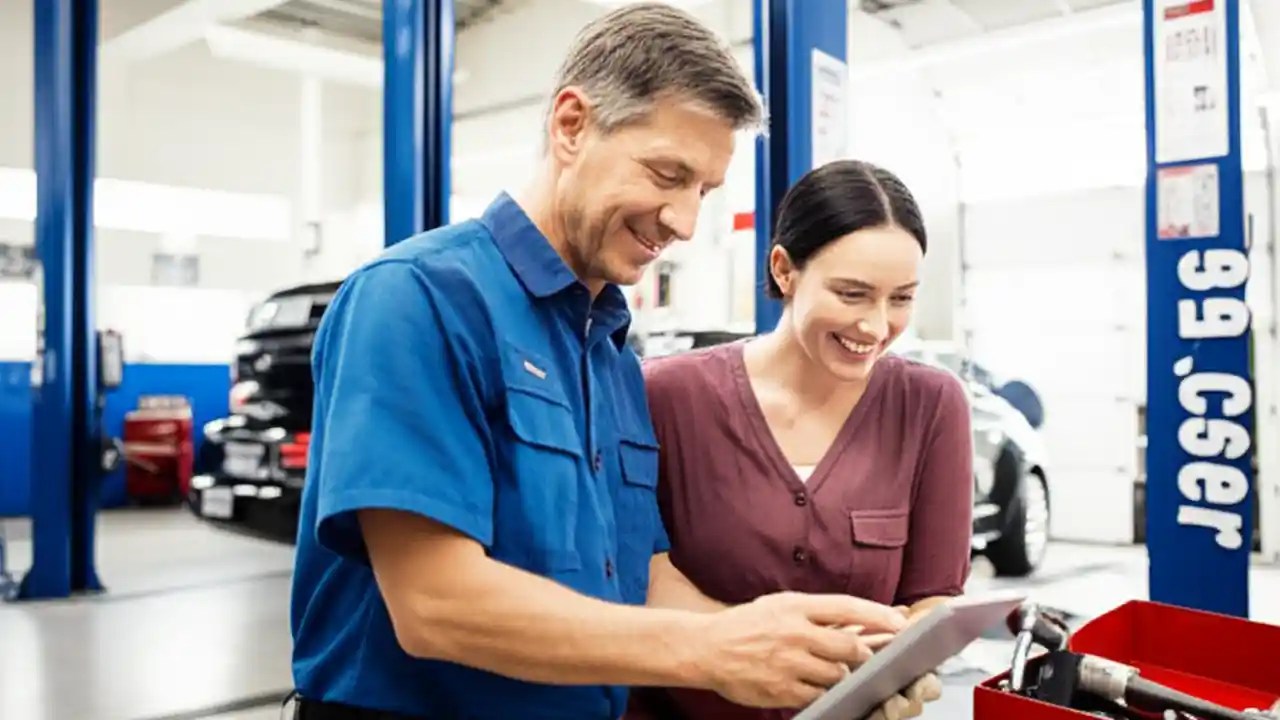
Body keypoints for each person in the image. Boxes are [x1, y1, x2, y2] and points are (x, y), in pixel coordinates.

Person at [287, 5, 910, 719]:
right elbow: (434, 602)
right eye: (668, 173)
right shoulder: (417, 301)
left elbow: (640, 578)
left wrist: (808, 657)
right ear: (571, 126)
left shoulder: (612, 353)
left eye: (703, 190)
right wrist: (710, 651)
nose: (684, 222)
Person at [628, 160, 976, 720]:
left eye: (901, 298)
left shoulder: (932, 406)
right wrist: (750, 654)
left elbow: (932, 598)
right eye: (852, 294)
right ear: (785, 270)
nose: (875, 325)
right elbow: (640, 576)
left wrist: (897, 668)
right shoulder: (665, 396)